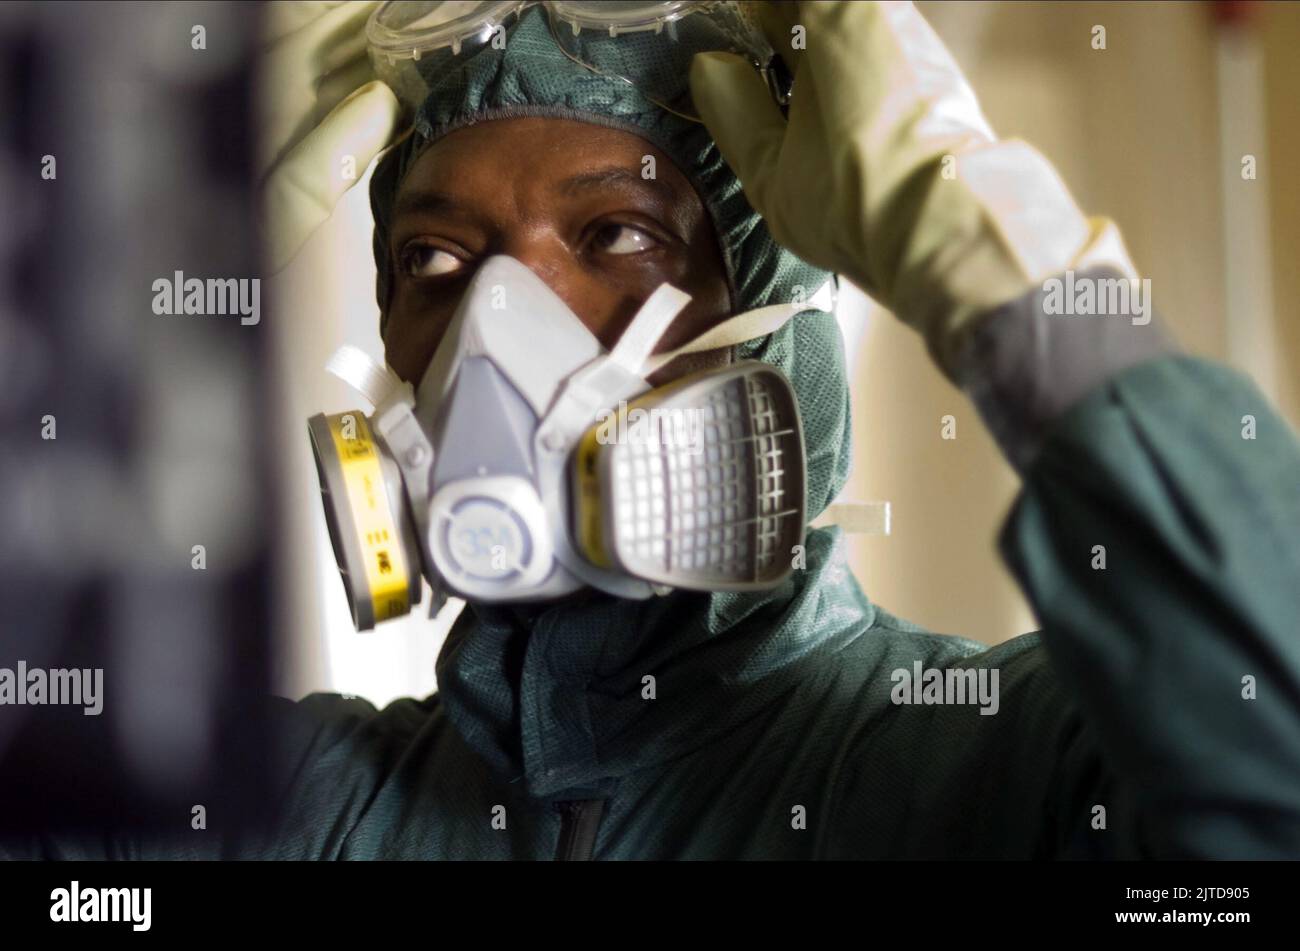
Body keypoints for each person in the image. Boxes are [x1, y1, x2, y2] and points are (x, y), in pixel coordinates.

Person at [10, 0, 1300, 860]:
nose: (504, 323)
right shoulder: (286, 814)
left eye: (616, 235)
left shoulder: (986, 773)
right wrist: (109, 327)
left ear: (774, 316)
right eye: (437, 258)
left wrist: (1010, 287)